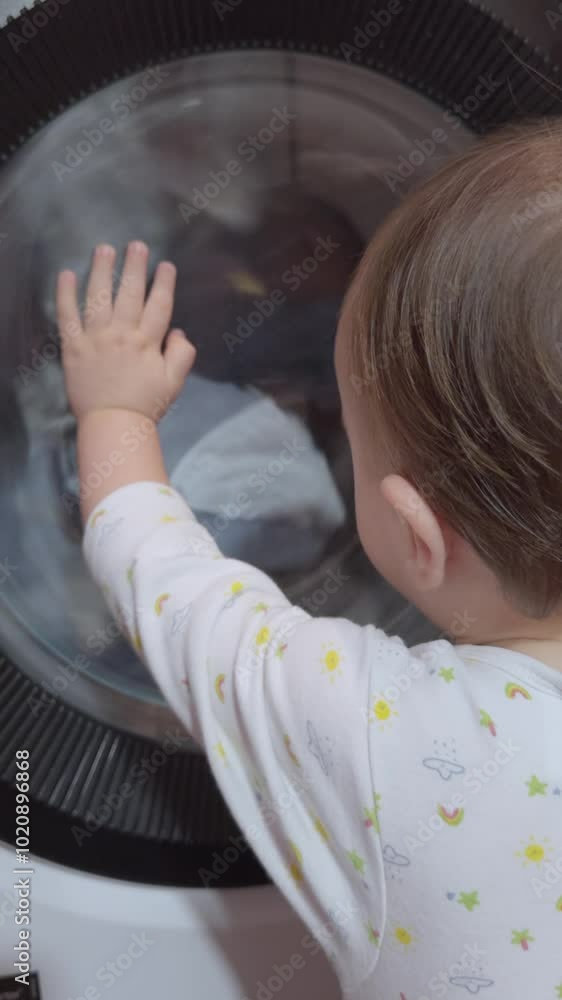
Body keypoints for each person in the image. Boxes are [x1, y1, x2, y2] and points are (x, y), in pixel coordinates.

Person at [56, 120, 562, 999]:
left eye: (351, 445)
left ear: (418, 534)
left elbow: (171, 586)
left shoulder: (390, 737)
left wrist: (115, 412)